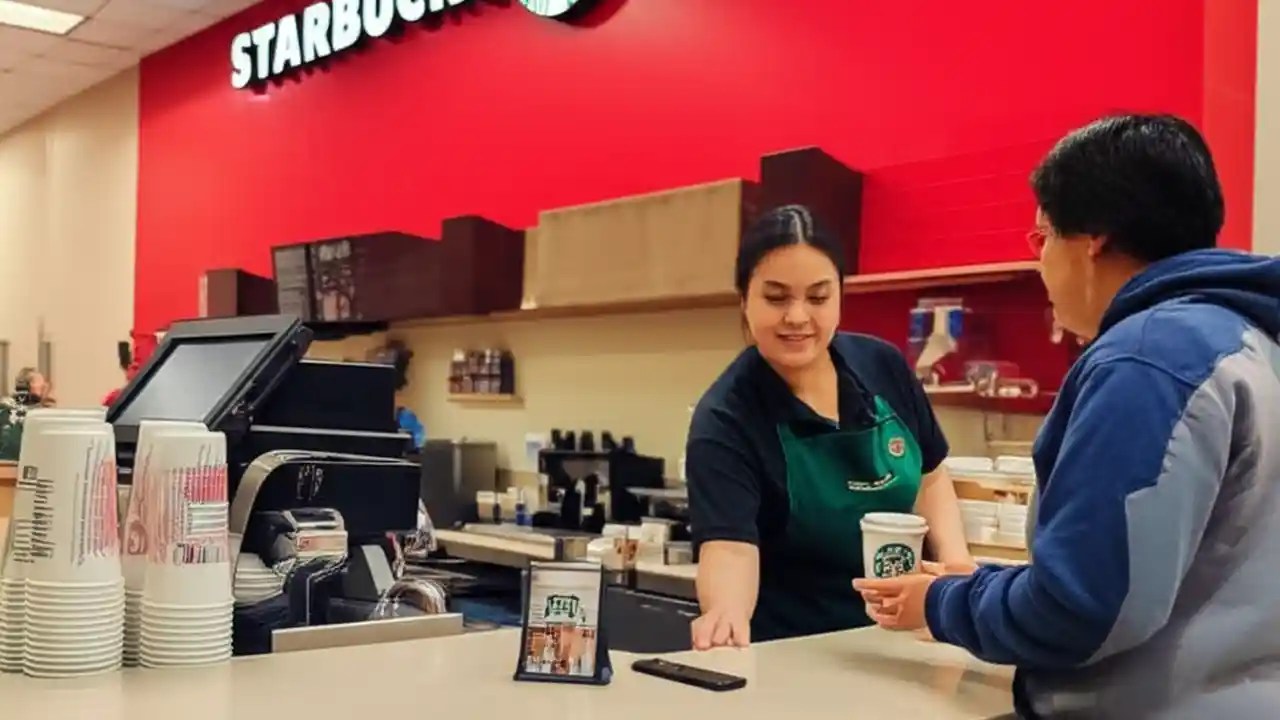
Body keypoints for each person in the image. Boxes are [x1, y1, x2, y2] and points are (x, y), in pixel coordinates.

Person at [854, 114, 1280, 718]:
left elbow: (1082, 608)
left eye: (1042, 237)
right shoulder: (1252, 344)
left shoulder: (1147, 358)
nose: (1039, 263)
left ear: (1092, 241)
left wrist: (941, 604)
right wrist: (981, 586)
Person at [687, 204, 975, 649]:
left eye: (818, 297)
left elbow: (932, 477)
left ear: (840, 295)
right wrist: (725, 614)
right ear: (744, 299)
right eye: (776, 297)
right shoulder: (726, 418)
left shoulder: (883, 365)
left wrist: (957, 566)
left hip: (907, 642)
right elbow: (729, 547)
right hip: (796, 654)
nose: (798, 317)